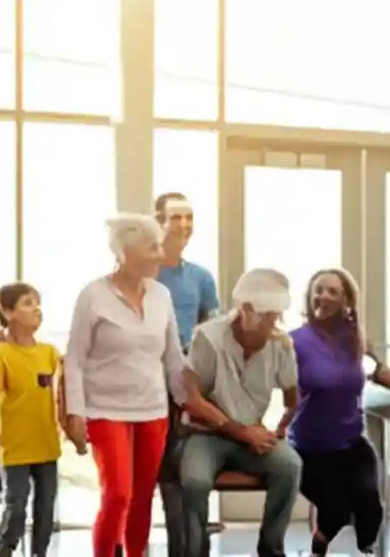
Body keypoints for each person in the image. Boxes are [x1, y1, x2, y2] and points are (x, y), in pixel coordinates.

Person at [289, 267, 390, 556]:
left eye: (332, 291)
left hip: (352, 442)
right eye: (318, 289)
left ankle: (367, 548)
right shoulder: (294, 342)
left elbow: (382, 373)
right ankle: (321, 538)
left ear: (346, 302)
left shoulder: (354, 340)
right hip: (309, 447)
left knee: (369, 503)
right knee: (337, 508)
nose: (323, 296)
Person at [63, 213, 188, 557]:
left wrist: (189, 402)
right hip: (104, 409)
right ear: (126, 253)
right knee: (117, 494)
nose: (160, 254)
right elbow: (73, 358)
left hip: (153, 409)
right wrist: (74, 412)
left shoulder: (161, 295)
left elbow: (173, 357)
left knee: (143, 496)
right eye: (152, 247)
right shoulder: (93, 295)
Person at [178, 268, 302, 557]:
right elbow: (192, 400)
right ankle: (196, 552)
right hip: (205, 433)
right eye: (265, 316)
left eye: (275, 316)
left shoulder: (280, 345)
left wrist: (279, 431)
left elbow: (293, 400)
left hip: (252, 435)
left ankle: (271, 549)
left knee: (290, 466)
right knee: (195, 481)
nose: (271, 324)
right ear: (244, 310)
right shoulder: (208, 338)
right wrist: (242, 432)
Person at [151, 192, 221, 557]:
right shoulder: (143, 272)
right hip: (146, 384)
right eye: (175, 217)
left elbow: (213, 329)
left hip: (188, 382)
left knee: (185, 472)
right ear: (158, 221)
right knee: (157, 474)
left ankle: (191, 548)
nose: (183, 225)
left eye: (189, 217)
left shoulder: (201, 277)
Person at [0, 282, 73, 557]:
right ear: (8, 313)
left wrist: (66, 425)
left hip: (46, 441)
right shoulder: (1, 355)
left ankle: (40, 552)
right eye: (27, 303)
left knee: (46, 504)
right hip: (15, 443)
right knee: (16, 503)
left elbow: (61, 393)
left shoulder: (50, 353)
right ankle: (6, 547)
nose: (36, 308)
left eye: (37, 302)